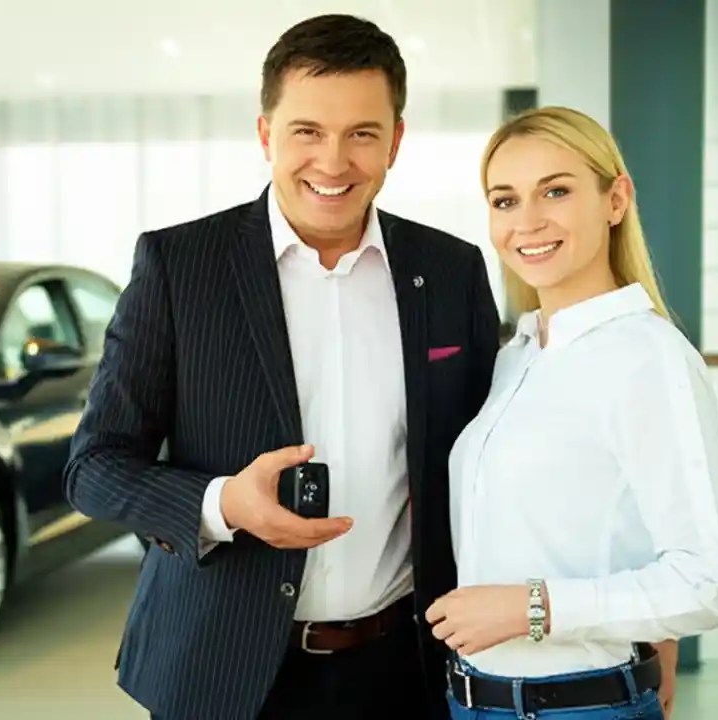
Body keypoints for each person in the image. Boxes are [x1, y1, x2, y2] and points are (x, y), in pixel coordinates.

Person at [63, 13, 501, 720]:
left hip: (404, 671)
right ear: (266, 135)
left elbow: (490, 459)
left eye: (362, 133)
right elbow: (93, 467)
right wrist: (222, 505)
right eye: (307, 132)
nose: (333, 163)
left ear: (396, 140)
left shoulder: (450, 271)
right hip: (219, 671)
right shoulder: (180, 268)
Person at [425, 105, 718, 719]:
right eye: (504, 200)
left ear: (616, 199)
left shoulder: (649, 356)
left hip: (576, 708)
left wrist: (530, 608)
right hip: (474, 701)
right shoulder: (519, 355)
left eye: (555, 192)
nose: (527, 222)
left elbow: (708, 580)